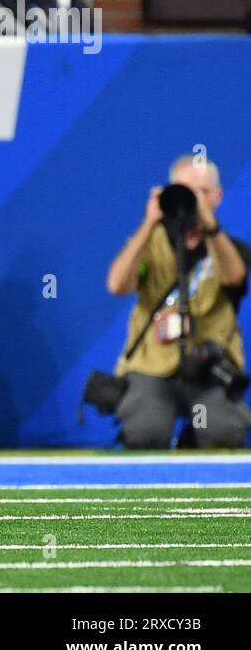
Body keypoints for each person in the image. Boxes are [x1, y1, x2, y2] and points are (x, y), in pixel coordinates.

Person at [106, 155, 250, 449]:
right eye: (185, 191)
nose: (193, 200)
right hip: (154, 367)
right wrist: (148, 223)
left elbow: (235, 277)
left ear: (218, 196)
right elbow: (117, 285)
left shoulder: (229, 248)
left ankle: (193, 440)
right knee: (144, 433)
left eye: (203, 192)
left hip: (209, 368)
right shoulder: (149, 245)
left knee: (223, 434)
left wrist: (211, 227)